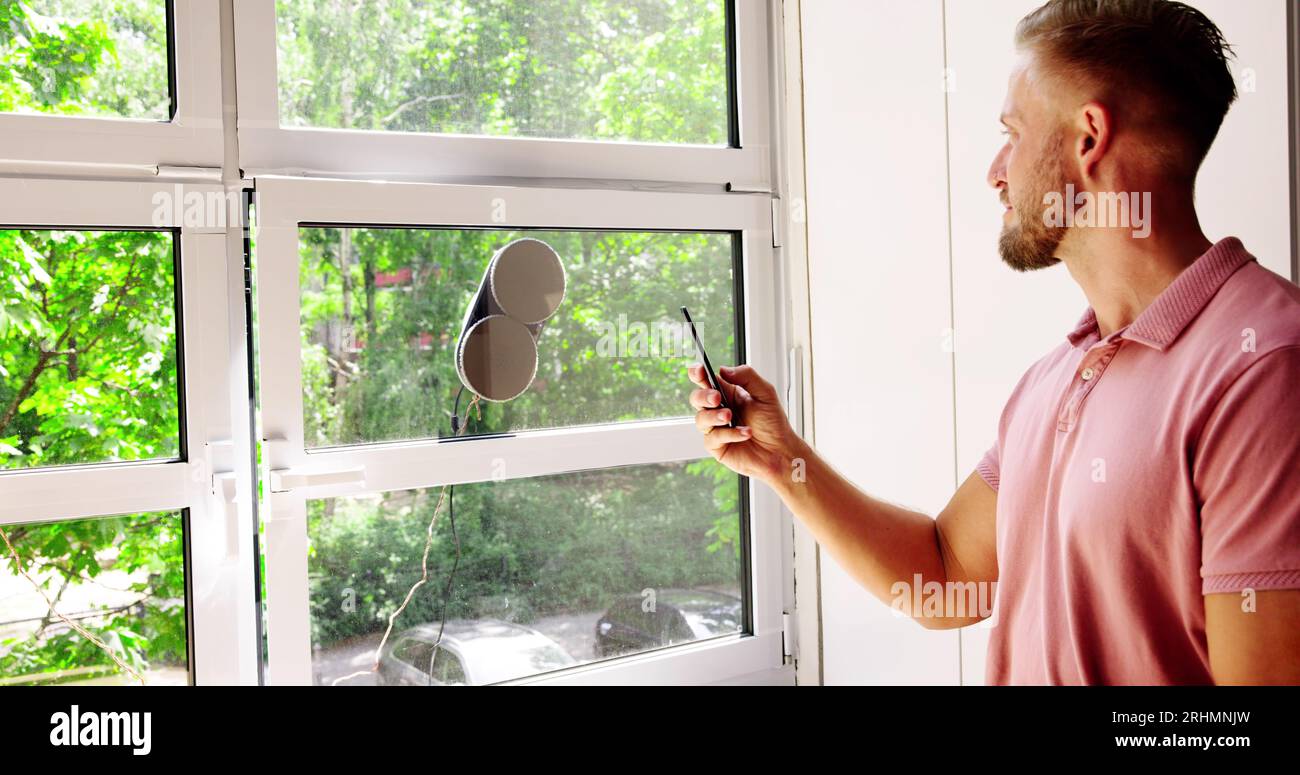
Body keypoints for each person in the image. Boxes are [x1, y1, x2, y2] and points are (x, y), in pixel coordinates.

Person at [687, 0, 1300, 685]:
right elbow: (946, 573)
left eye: (1012, 132)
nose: (995, 170)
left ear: (1088, 136)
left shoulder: (1265, 367)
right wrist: (784, 462)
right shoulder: (1055, 377)